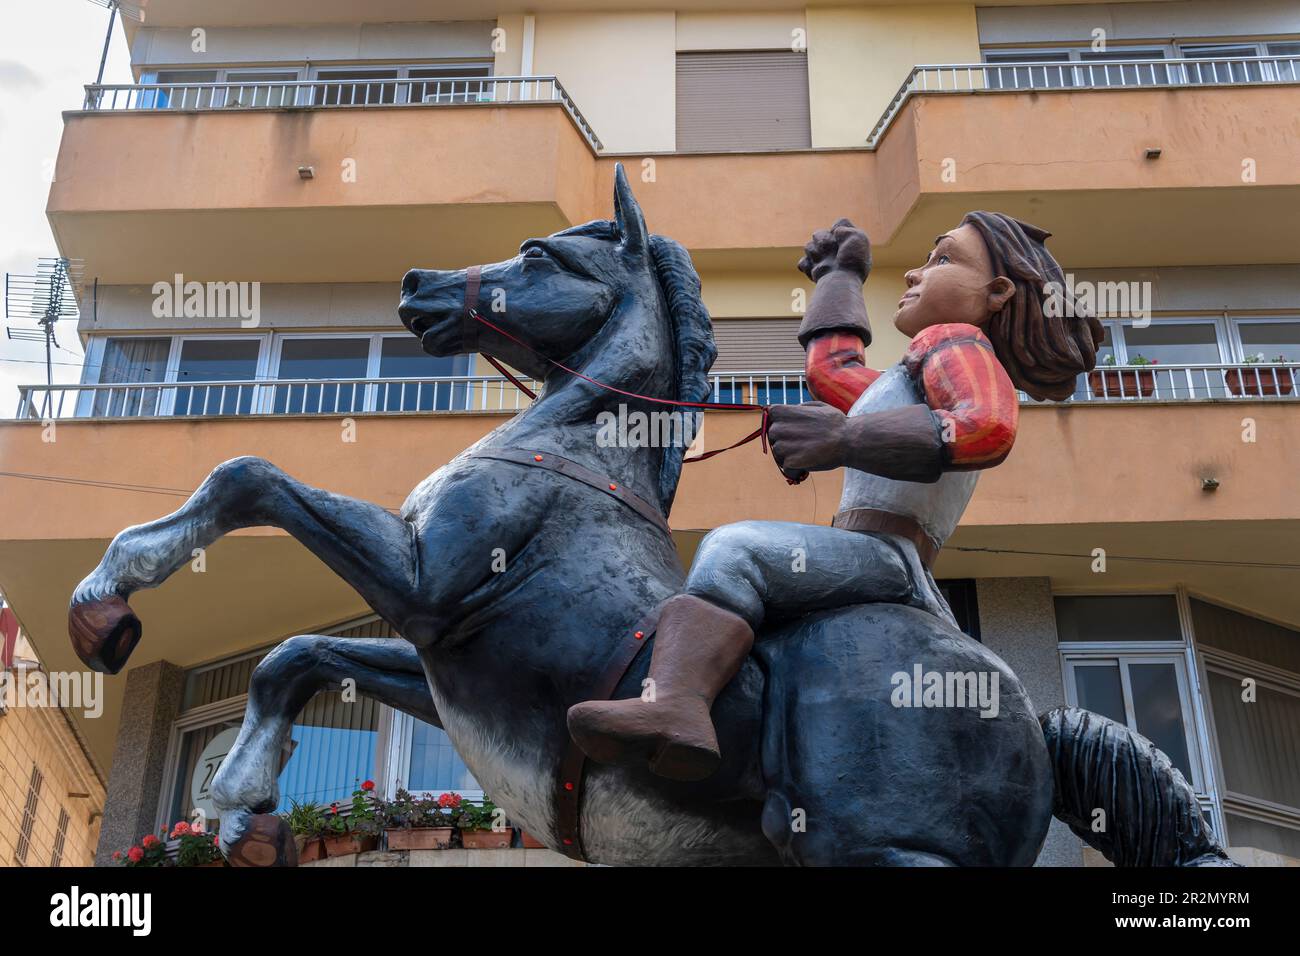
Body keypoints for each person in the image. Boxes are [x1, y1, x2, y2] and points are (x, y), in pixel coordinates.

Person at [567, 213, 1105, 781]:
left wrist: (844, 438)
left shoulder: (955, 343)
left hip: (888, 555)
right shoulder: (910, 372)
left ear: (997, 292)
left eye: (943, 260)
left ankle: (675, 704)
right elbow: (832, 370)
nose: (915, 274)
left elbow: (985, 427)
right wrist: (839, 274)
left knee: (737, 548)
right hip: (869, 550)